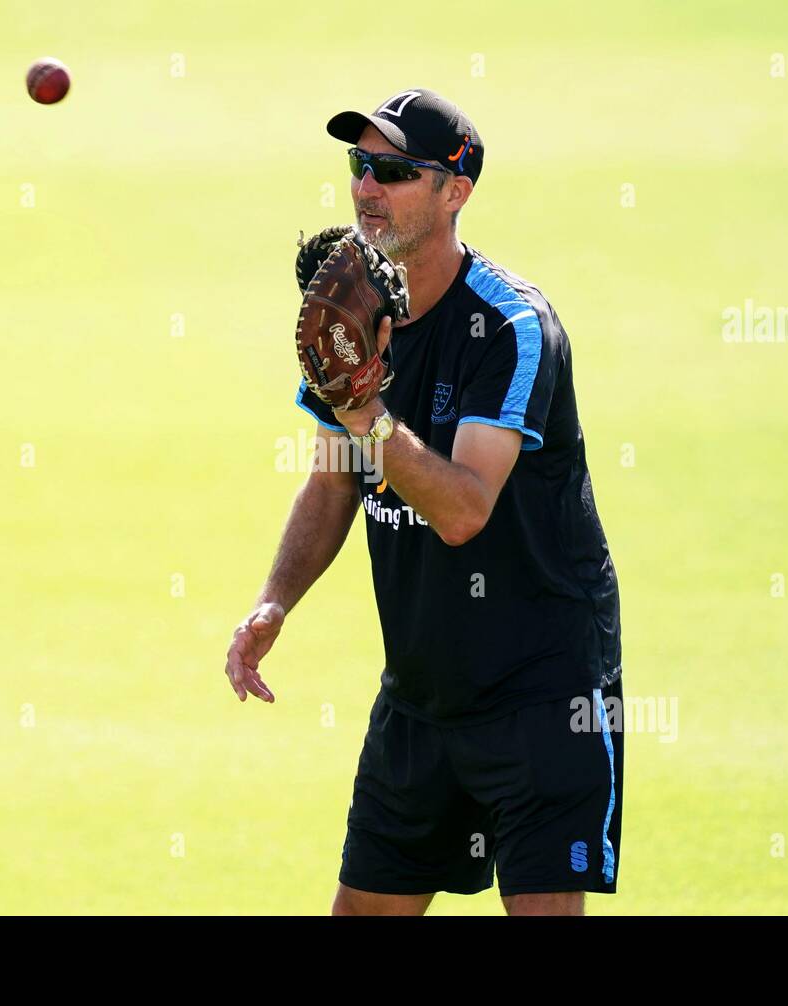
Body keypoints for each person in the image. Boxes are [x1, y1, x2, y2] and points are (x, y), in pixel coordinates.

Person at [224, 88, 623, 916]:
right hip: (421, 694)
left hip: (542, 695)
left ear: (456, 190)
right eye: (359, 165)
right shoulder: (349, 313)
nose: (368, 187)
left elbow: (463, 510)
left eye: (396, 170)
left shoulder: (512, 326)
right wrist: (275, 602)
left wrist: (365, 407)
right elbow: (335, 479)